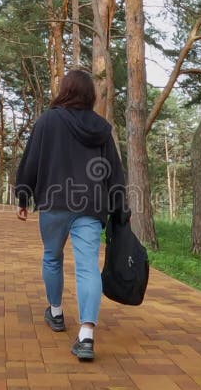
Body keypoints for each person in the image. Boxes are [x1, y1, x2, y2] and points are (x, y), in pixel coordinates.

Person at [15, 69, 126, 362]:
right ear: (90, 95)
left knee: (52, 257)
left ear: (65, 91)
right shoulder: (101, 128)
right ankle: (86, 335)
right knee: (88, 266)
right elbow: (114, 171)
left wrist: (23, 194)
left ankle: (56, 312)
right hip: (91, 204)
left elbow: (32, 159)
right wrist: (118, 206)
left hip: (54, 201)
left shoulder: (48, 120)